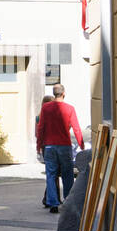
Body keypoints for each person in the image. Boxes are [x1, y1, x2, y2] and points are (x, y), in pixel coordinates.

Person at [35, 84, 84, 214]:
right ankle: (68, 201)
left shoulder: (45, 108)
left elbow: (41, 127)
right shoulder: (70, 109)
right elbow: (76, 128)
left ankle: (53, 203)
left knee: (51, 175)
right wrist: (82, 145)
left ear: (54, 93)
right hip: (65, 145)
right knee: (67, 175)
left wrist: (39, 145)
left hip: (49, 146)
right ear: (64, 93)